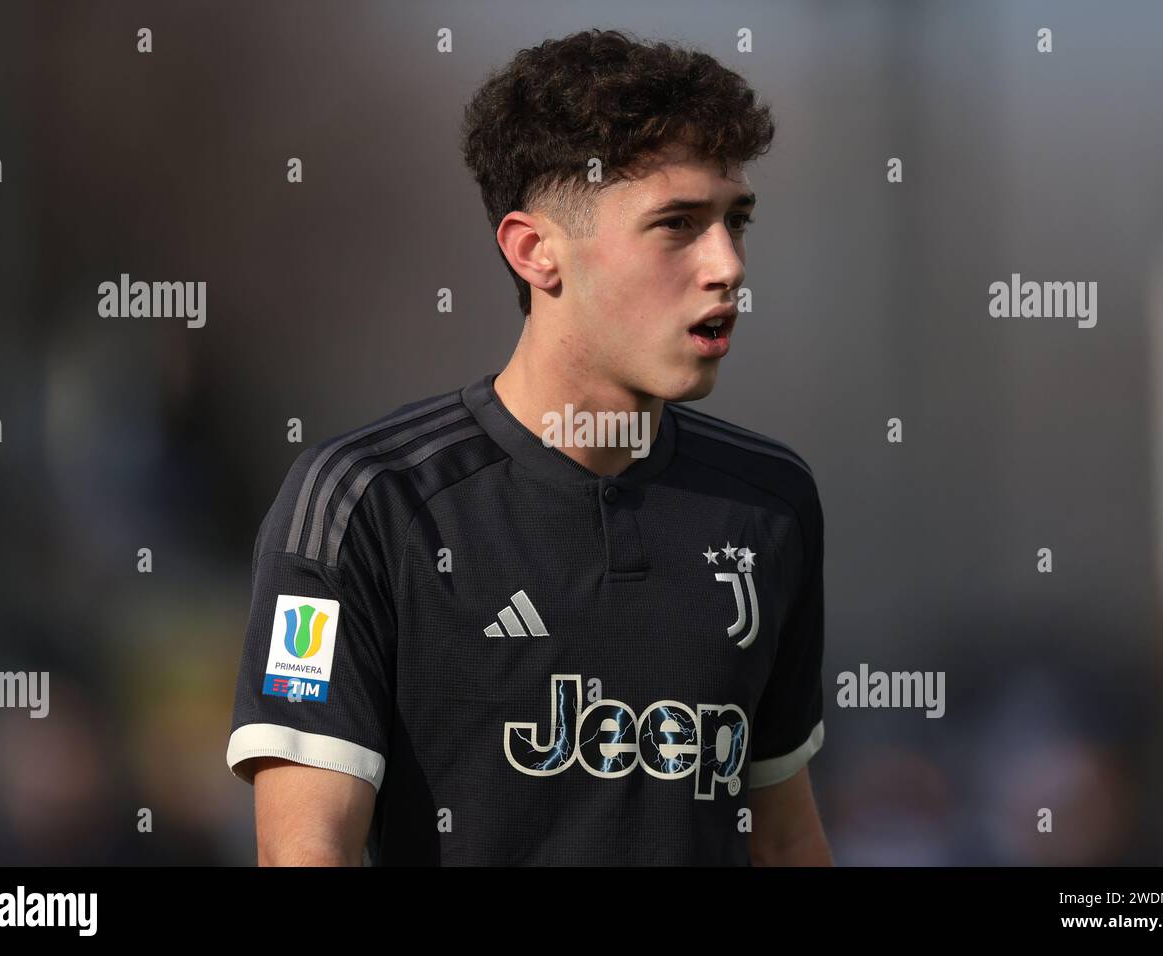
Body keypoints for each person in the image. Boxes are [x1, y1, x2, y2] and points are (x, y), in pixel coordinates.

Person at [225, 28, 831, 865]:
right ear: (535, 250)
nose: (726, 264)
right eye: (677, 225)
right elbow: (305, 853)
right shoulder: (364, 504)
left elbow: (785, 840)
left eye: (736, 221)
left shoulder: (770, 502)